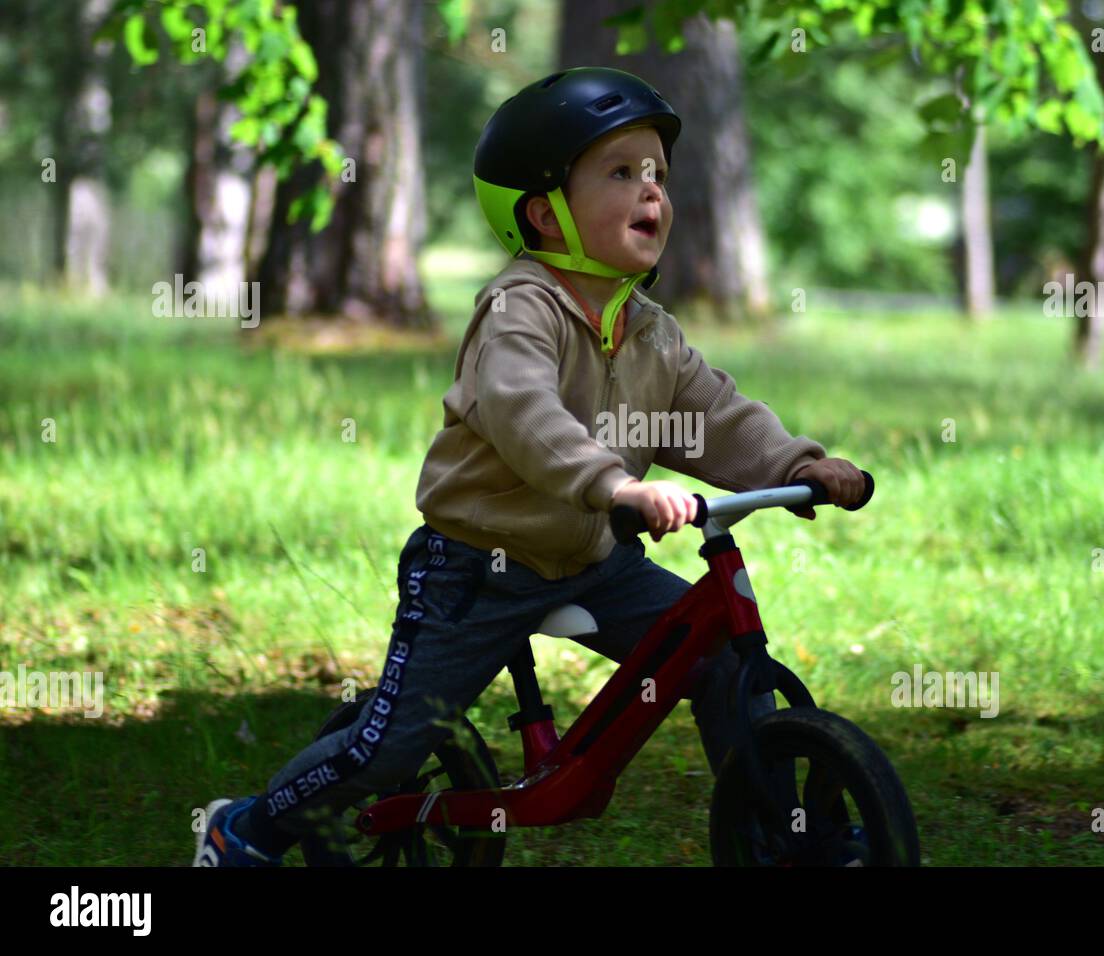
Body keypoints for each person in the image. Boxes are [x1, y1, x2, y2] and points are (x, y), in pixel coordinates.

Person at [194, 67, 865, 866]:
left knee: (726, 662)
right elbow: (524, 416)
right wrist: (614, 483)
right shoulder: (518, 309)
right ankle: (247, 828)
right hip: (476, 568)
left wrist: (802, 463)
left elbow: (714, 415)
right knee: (390, 749)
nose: (651, 192)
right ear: (545, 213)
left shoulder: (646, 328)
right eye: (621, 173)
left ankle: (775, 838)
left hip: (594, 561)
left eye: (657, 173)